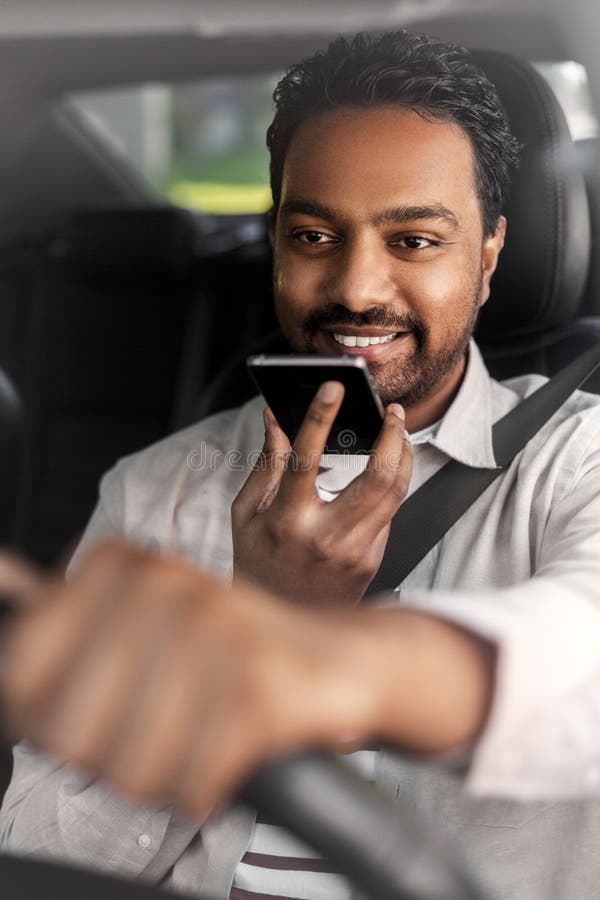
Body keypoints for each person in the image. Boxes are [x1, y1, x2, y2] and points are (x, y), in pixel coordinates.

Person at [2, 28, 600, 900]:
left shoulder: (577, 458)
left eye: (415, 241)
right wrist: (259, 613)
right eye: (315, 234)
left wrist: (310, 656)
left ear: (490, 253)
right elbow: (37, 849)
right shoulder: (162, 484)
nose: (357, 288)